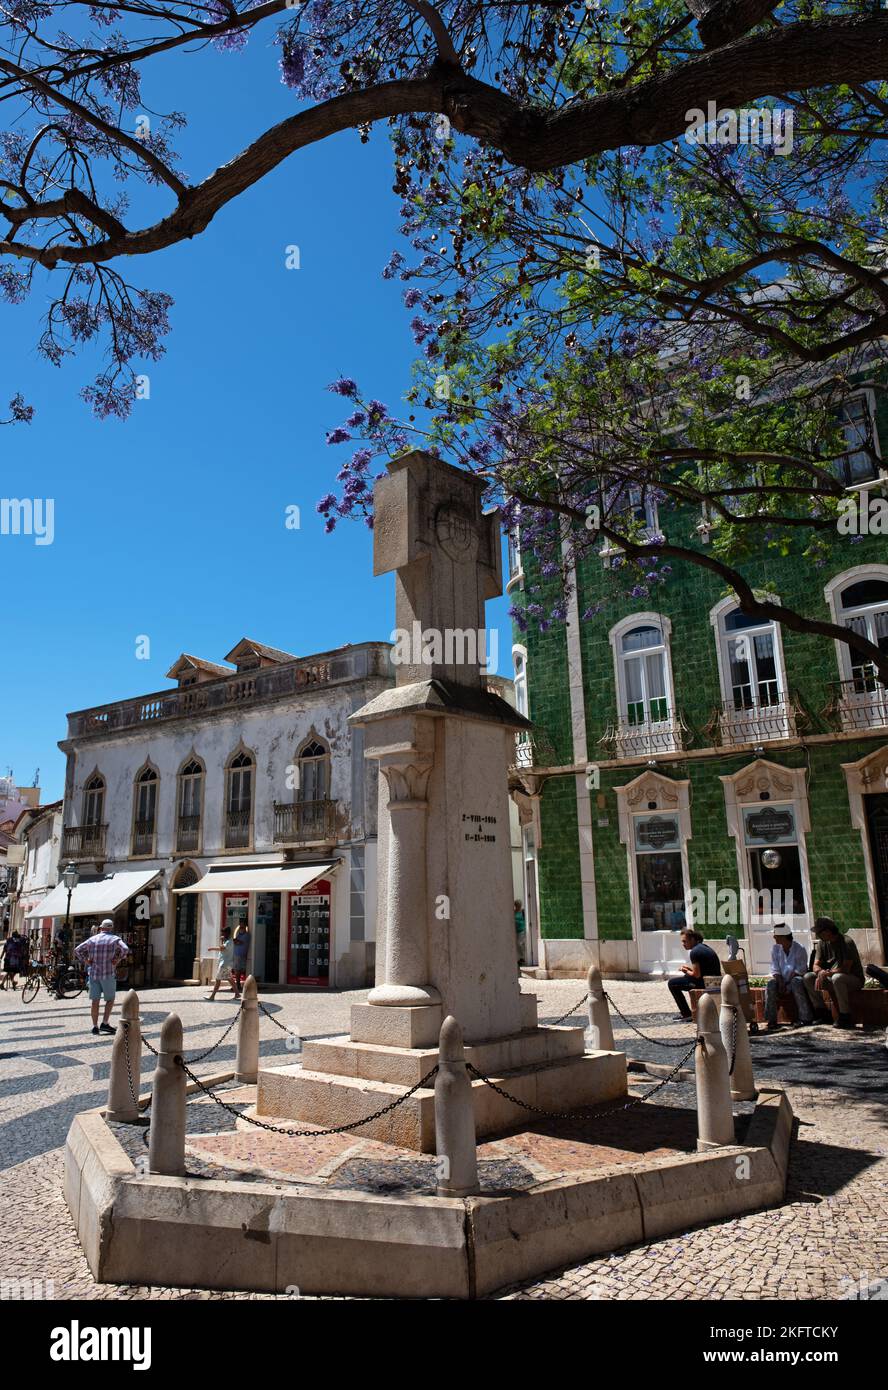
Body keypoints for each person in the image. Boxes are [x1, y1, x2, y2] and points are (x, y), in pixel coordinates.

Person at [802, 918, 865, 1028]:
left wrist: (827, 973)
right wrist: (820, 972)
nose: (817, 935)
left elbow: (846, 969)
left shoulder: (846, 942)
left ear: (828, 931)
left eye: (819, 932)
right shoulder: (822, 943)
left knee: (838, 977)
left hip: (853, 979)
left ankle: (845, 1016)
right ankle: (822, 1013)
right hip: (831, 978)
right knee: (808, 977)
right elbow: (815, 965)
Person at [74, 919, 129, 1036]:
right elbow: (125, 949)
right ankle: (104, 1022)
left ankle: (94, 1026)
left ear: (101, 928)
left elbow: (77, 950)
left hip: (94, 974)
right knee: (110, 999)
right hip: (108, 973)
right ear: (111, 928)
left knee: (95, 1001)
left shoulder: (92, 939)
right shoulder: (115, 939)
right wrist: (117, 959)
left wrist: (86, 960)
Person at [765, 925, 812, 1031]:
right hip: (782, 980)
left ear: (783, 936)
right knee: (771, 984)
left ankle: (805, 1018)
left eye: (776, 935)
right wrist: (781, 983)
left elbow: (801, 970)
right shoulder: (775, 949)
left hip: (795, 979)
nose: (774, 937)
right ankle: (771, 1020)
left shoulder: (799, 948)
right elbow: (775, 969)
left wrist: (787, 984)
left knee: (796, 982)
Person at [668, 929, 722, 1020]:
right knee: (686, 977)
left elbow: (696, 975)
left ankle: (686, 1014)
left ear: (692, 939)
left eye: (685, 941)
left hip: (705, 983)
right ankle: (687, 1013)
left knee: (672, 984)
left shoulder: (694, 952)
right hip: (713, 980)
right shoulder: (704, 947)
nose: (683, 944)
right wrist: (689, 971)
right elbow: (701, 970)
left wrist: (685, 971)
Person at [206, 926, 236, 1001]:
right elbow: (222, 949)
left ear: (226, 933)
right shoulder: (229, 941)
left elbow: (221, 948)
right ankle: (237, 994)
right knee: (230, 979)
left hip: (225, 964)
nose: (222, 934)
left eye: (223, 932)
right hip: (228, 963)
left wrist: (211, 948)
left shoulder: (228, 942)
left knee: (218, 980)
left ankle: (212, 996)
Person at [231, 923, 252, 998]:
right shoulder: (239, 934)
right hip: (237, 954)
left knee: (238, 970)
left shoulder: (246, 935)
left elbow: (238, 942)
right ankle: (238, 984)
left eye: (242, 927)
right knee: (237, 970)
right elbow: (235, 941)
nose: (240, 929)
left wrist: (236, 941)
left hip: (240, 955)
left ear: (245, 928)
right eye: (240, 927)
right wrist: (236, 940)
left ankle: (238, 984)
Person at [514, 900, 526, 968]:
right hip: (516, 930)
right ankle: (520, 958)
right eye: (517, 905)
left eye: (519, 905)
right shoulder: (514, 912)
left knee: (520, 943)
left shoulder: (523, 911)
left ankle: (522, 958)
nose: (518, 906)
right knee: (518, 945)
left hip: (522, 930)